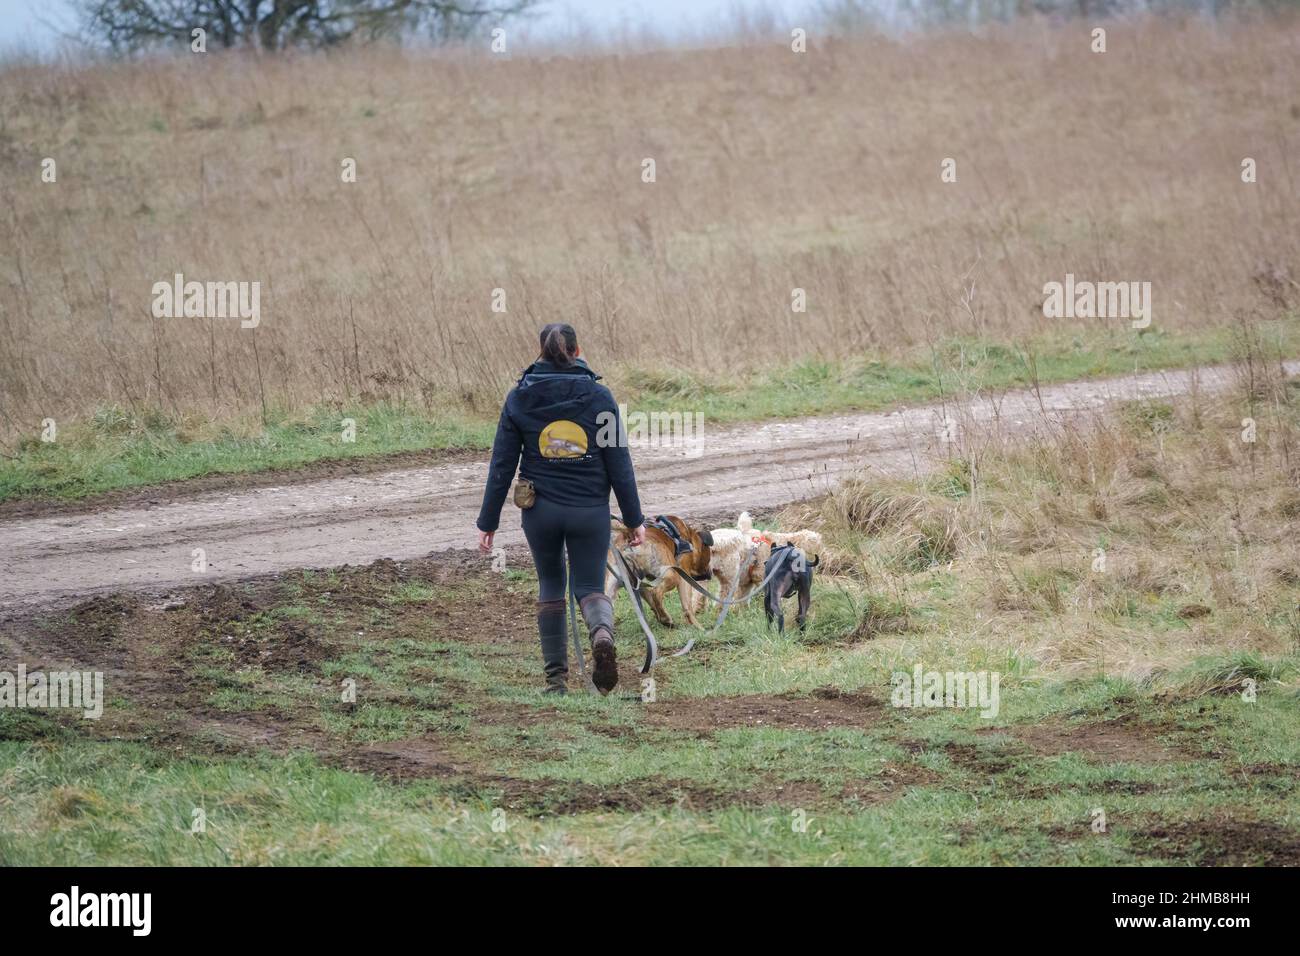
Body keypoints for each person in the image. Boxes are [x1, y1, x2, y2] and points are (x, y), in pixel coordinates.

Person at [476, 323, 646, 695]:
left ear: (540, 352)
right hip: (589, 512)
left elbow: (501, 465)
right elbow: (620, 463)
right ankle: (601, 634)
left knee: (551, 584)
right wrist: (634, 520)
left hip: (541, 513)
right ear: (577, 350)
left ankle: (556, 683)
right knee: (588, 586)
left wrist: (488, 522)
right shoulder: (600, 397)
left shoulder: (519, 398)